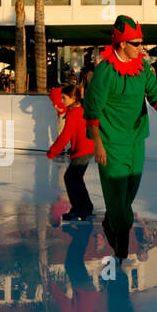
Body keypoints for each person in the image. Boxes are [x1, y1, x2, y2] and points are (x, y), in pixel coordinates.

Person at [83, 16, 157, 261]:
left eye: (141, 42)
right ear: (122, 44)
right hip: (111, 143)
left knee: (128, 194)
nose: (140, 47)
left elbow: (155, 90)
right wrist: (98, 144)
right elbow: (92, 109)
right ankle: (121, 250)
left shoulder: (142, 67)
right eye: (135, 43)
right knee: (118, 199)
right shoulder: (105, 71)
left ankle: (111, 220)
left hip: (136, 139)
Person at [46, 82, 95, 222]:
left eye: (64, 98)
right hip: (87, 147)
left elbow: (65, 135)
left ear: (73, 98)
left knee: (70, 178)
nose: (61, 101)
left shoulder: (74, 112)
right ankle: (86, 207)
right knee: (76, 178)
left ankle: (79, 209)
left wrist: (52, 151)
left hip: (83, 149)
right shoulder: (79, 109)